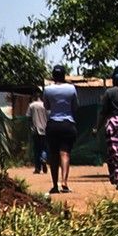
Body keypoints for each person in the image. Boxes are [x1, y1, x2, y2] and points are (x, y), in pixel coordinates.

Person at [41, 66, 79, 195]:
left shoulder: (48, 89)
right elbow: (75, 106)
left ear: (53, 76)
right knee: (65, 153)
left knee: (53, 155)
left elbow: (47, 106)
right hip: (68, 124)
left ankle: (54, 185)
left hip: (53, 124)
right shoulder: (71, 88)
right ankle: (64, 182)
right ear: (64, 75)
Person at [27, 93, 48, 174]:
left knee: (36, 149)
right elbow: (49, 117)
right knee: (44, 148)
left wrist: (31, 126)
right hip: (45, 130)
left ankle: (37, 168)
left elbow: (28, 117)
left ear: (34, 97)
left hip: (35, 130)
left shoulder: (31, 105)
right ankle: (44, 159)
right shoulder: (45, 105)